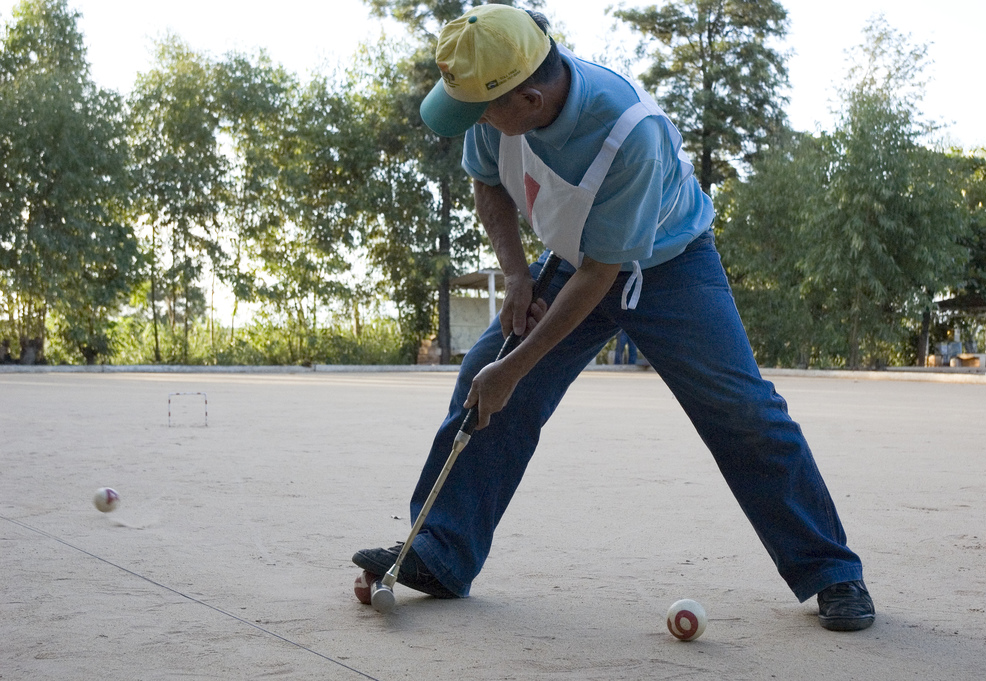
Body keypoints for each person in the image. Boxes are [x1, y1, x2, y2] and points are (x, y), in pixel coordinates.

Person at [354, 3, 875, 631]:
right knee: (481, 383)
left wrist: (514, 368)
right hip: (574, 254)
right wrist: (518, 275)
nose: (475, 123)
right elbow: (486, 182)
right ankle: (439, 553)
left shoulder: (631, 131)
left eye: (484, 112)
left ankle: (833, 572)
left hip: (670, 265)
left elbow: (601, 275)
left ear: (533, 99)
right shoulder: (489, 99)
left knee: (744, 412)